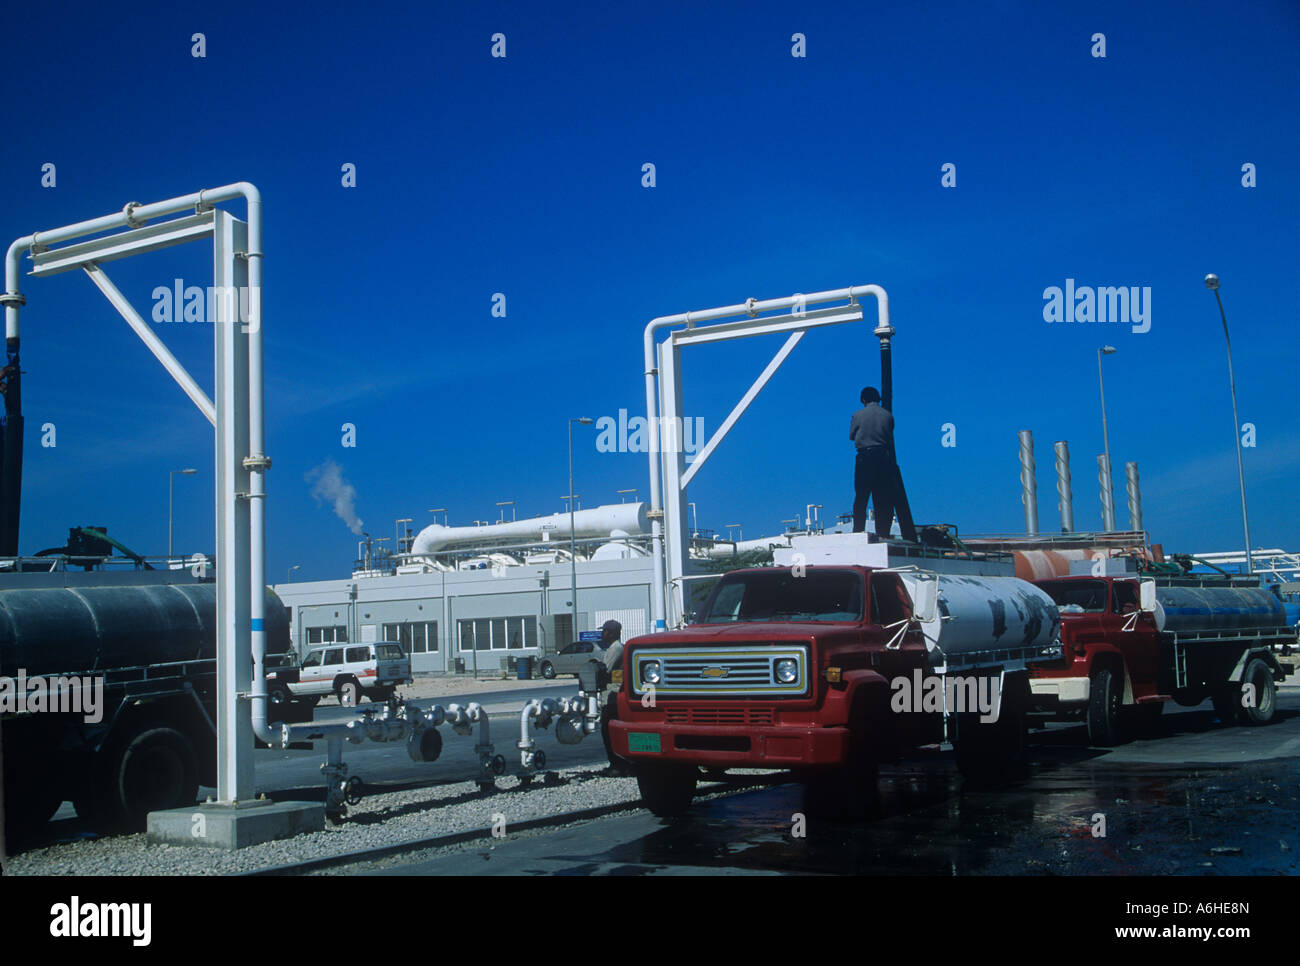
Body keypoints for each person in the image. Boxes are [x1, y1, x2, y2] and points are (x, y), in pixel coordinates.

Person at [849, 386, 896, 537]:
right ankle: (883, 532)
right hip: (883, 458)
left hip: (865, 457)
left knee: (861, 496)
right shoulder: (888, 415)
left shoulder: (858, 415)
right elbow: (889, 435)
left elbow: (851, 435)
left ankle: (858, 531)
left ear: (863, 399)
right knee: (882, 498)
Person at [596, 620, 632, 774]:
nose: (602, 634)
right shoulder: (616, 648)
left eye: (604, 631)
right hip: (612, 695)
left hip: (612, 697)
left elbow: (605, 670)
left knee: (608, 731)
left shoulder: (615, 649)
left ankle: (617, 765)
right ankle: (618, 764)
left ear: (611, 633)